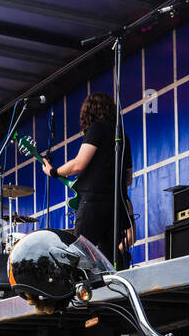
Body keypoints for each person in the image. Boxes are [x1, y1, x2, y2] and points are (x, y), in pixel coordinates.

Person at [41, 92, 134, 269]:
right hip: (116, 205)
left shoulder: (97, 128)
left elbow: (78, 164)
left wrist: (53, 171)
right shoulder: (122, 135)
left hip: (93, 203)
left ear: (88, 113)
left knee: (79, 253)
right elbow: (128, 177)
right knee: (113, 259)